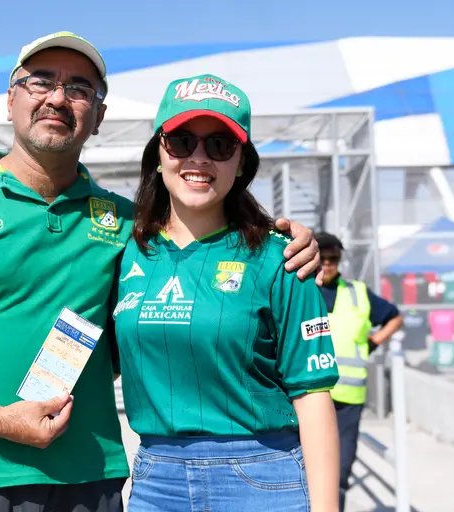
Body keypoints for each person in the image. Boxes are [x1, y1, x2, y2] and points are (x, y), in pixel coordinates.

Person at [0, 32, 323, 512]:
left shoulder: (130, 225)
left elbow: (196, 255)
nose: (58, 98)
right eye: (41, 81)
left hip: (91, 481)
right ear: (10, 100)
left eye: (79, 88)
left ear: (99, 116)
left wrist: (285, 238)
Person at [112, 74, 341, 512]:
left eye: (220, 145)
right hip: (156, 483)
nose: (198, 158)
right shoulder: (124, 253)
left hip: (264, 479)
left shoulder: (283, 258)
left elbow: (312, 396)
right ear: (158, 153)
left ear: (240, 164)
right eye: (181, 141)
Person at [315, 232, 404, 512]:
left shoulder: (357, 293)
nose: (327, 264)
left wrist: (375, 341)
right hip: (309, 395)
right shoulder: (300, 289)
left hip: (348, 398)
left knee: (340, 470)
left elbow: (394, 317)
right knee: (309, 467)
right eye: (322, 258)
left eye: (333, 259)